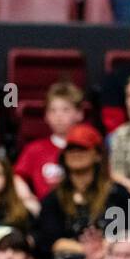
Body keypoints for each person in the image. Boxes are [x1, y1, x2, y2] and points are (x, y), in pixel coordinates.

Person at [35, 124, 130, 259]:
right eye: (70, 149)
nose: (75, 153)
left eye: (82, 148)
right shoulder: (53, 199)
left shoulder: (118, 194)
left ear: (98, 155)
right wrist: (92, 251)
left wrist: (106, 248)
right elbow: (51, 242)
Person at [13, 82, 85, 211]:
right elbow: (17, 177)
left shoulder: (87, 148)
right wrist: (27, 197)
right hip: (45, 213)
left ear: (79, 114)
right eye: (52, 110)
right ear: (46, 116)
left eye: (65, 110)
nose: (58, 116)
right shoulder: (34, 149)